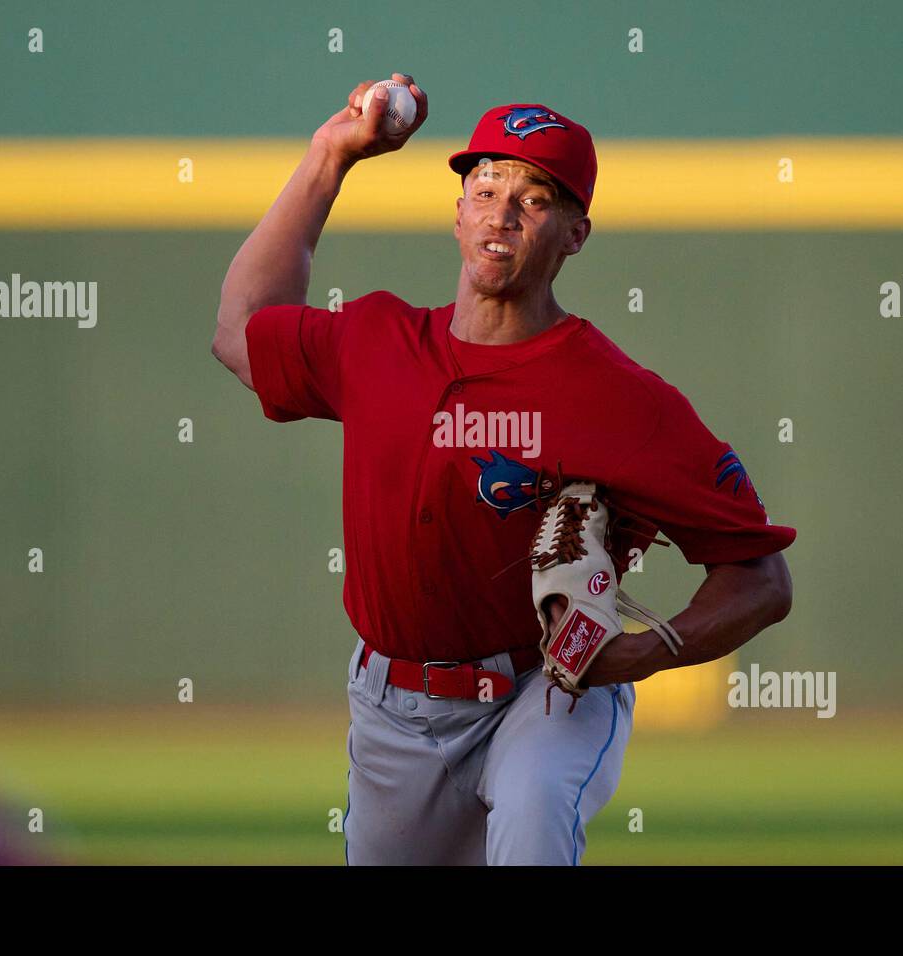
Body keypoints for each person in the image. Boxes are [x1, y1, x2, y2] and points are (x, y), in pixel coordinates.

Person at [212, 74, 796, 865]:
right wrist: (331, 156)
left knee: (531, 815)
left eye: (535, 198)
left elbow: (760, 577)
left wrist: (647, 651)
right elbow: (239, 332)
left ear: (575, 233)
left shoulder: (620, 399)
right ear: (457, 213)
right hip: (393, 707)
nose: (502, 211)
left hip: (547, 692)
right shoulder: (377, 342)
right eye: (485, 186)